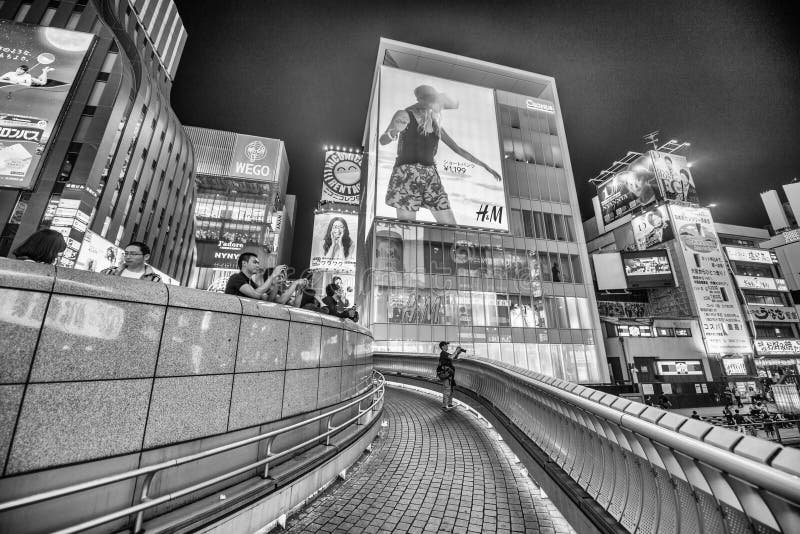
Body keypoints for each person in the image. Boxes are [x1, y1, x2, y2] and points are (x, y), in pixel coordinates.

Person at [379, 84, 501, 225]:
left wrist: (485, 166)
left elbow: (458, 149)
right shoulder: (404, 114)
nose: (435, 106)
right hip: (407, 175)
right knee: (409, 228)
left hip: (431, 177)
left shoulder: (436, 125)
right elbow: (383, 140)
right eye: (431, 100)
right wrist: (393, 132)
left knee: (451, 226)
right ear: (421, 100)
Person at [438, 341, 466, 411]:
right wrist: (456, 350)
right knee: (447, 389)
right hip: (446, 374)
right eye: (446, 345)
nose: (447, 346)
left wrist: (458, 352)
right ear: (442, 347)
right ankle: (445, 406)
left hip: (449, 374)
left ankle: (449, 404)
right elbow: (452, 357)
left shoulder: (445, 353)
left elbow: (454, 357)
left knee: (450, 389)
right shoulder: (443, 353)